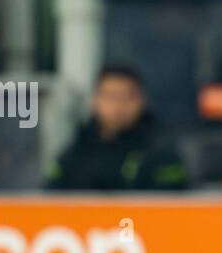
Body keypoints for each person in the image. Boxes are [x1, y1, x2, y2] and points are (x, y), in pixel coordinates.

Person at [45, 65, 188, 190]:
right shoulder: (76, 150)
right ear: (95, 101)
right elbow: (49, 200)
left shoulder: (162, 153)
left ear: (142, 101)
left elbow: (171, 205)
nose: (118, 105)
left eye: (127, 97)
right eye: (111, 96)